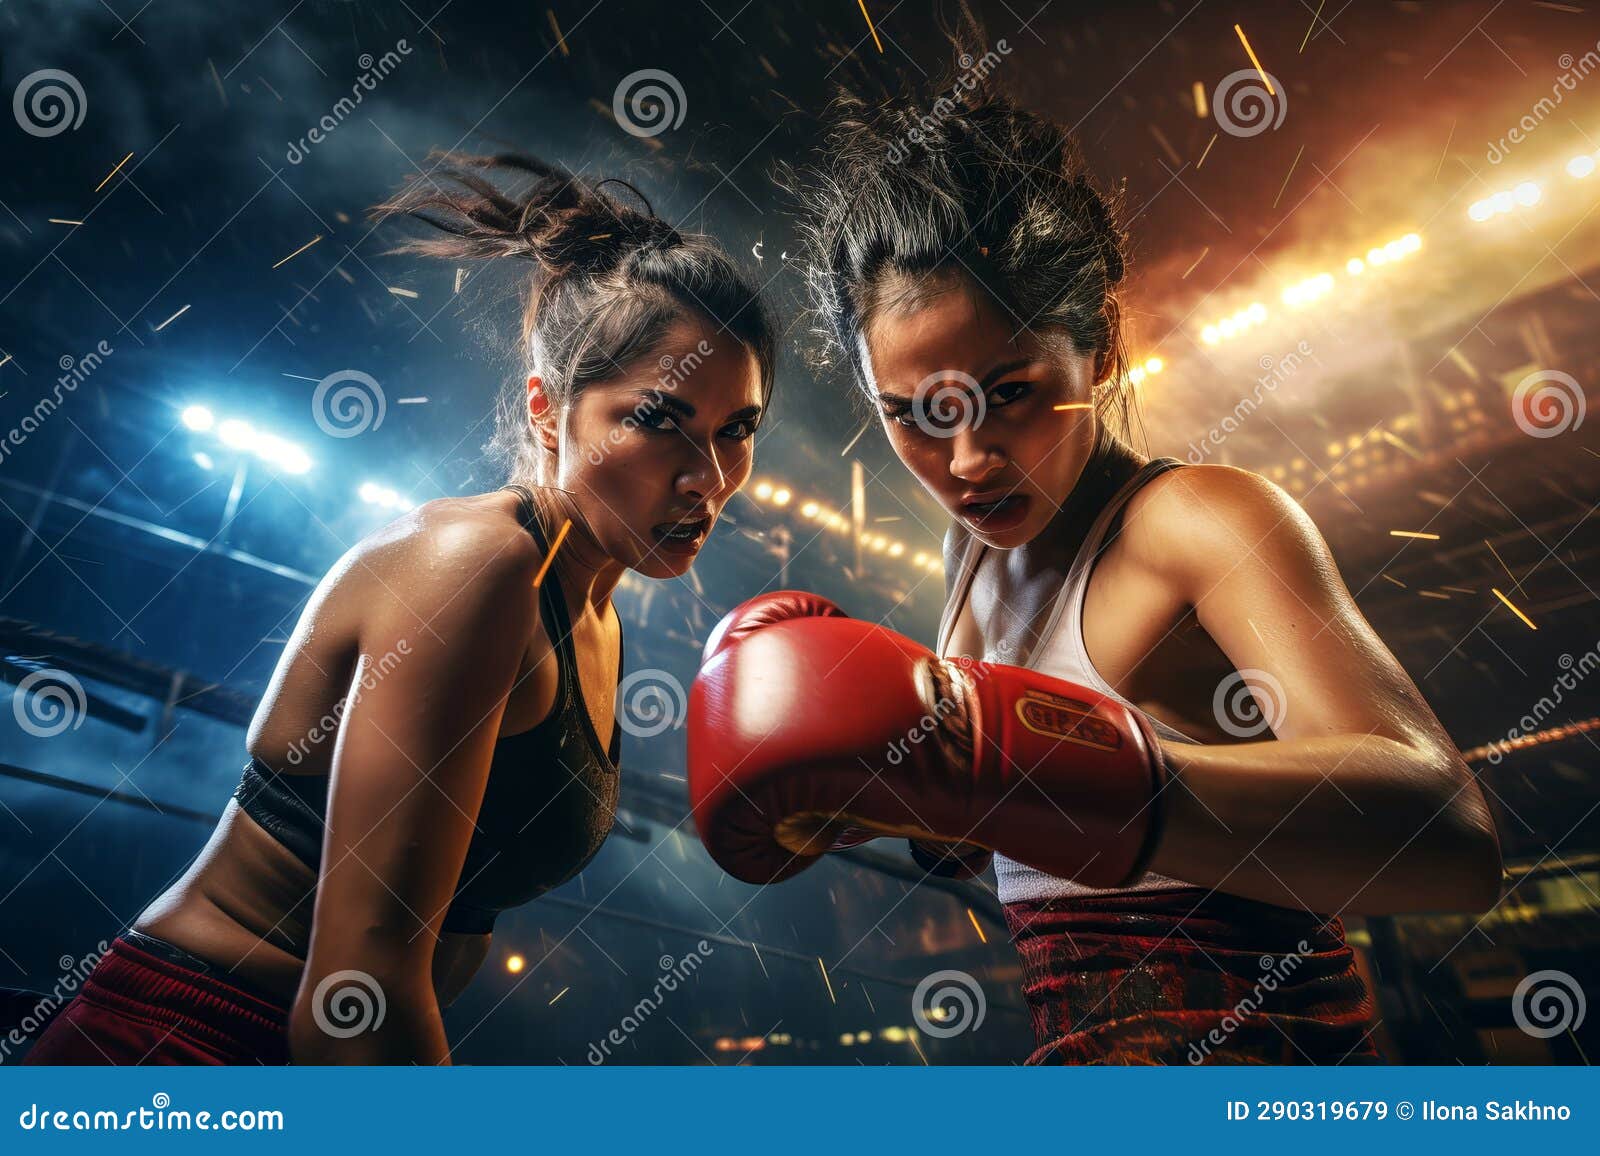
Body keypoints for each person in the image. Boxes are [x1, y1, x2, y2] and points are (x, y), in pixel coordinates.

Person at [687, 80, 1502, 1065]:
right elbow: (1013, 843)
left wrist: (1040, 768)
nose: (970, 459)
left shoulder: (1195, 520)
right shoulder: (969, 555)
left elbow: (1449, 836)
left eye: (1012, 394)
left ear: (1100, 347)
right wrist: (877, 789)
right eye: (913, 414)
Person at [24, 151, 775, 1065]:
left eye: (736, 430)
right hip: (180, 1051)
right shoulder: (480, 569)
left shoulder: (598, 617)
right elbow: (358, 987)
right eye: (658, 418)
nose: (708, 477)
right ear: (549, 413)